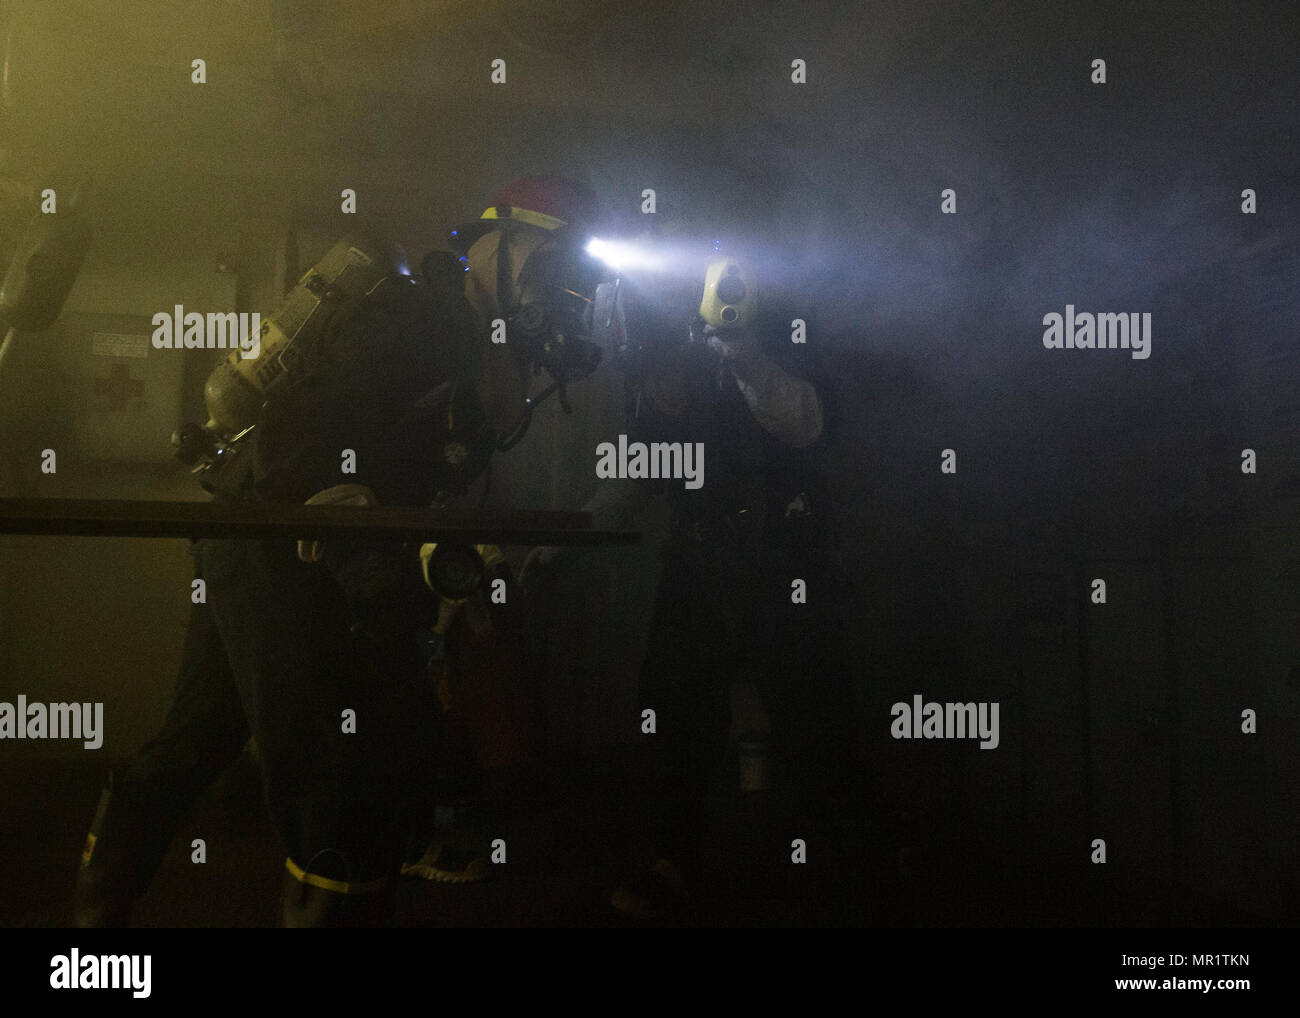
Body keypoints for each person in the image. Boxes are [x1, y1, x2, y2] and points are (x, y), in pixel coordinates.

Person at [75, 177, 608, 926]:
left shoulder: (465, 339)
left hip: (258, 547)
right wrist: (366, 568)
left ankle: (92, 930)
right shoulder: (423, 323)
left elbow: (386, 468)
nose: (562, 294)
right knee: (336, 782)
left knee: (194, 743)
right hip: (281, 555)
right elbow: (296, 442)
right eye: (556, 270)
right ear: (499, 245)